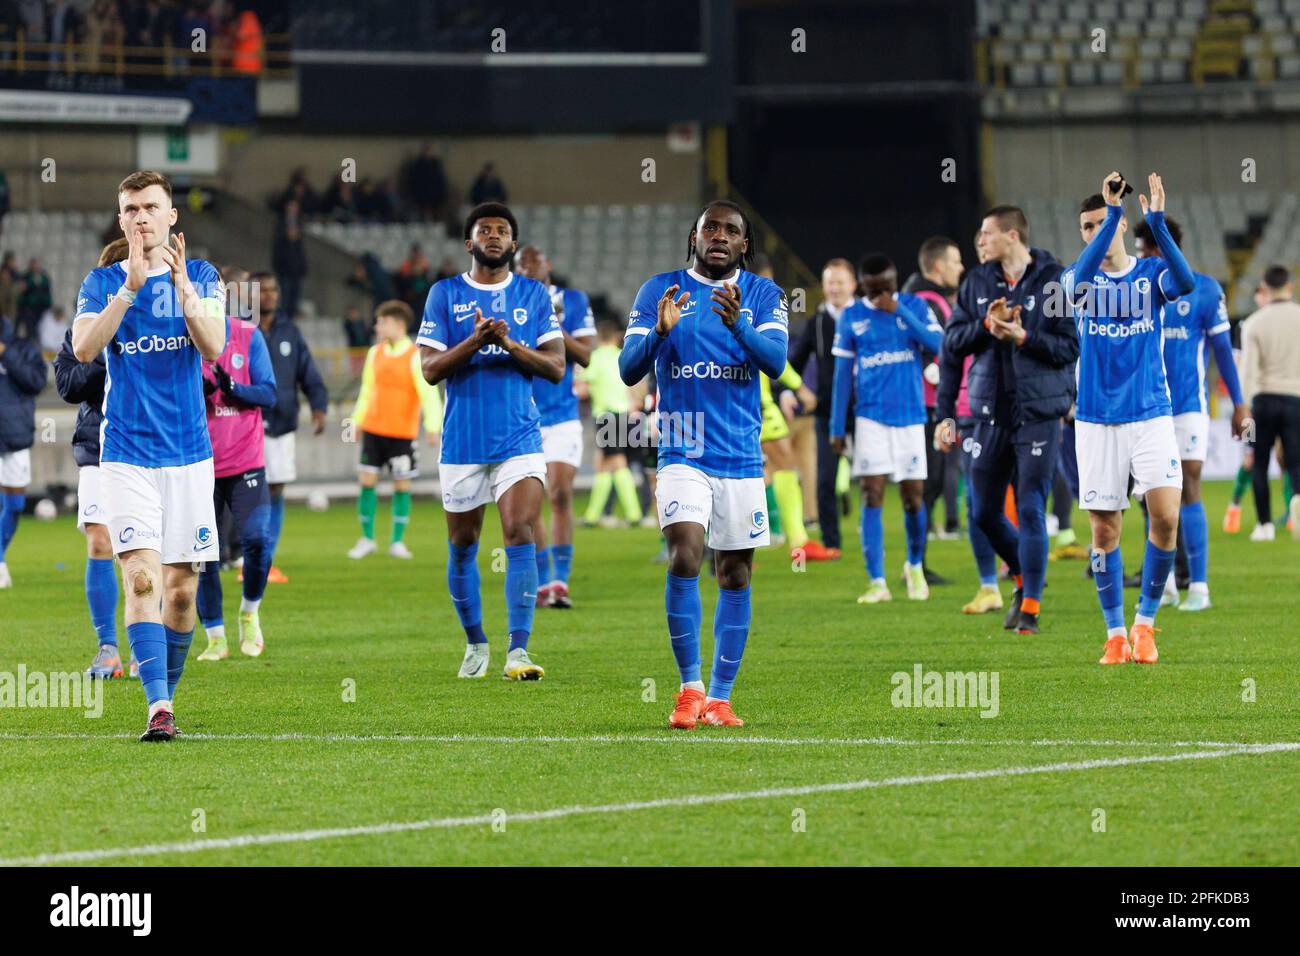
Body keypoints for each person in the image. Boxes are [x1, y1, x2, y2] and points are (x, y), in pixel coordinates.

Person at [620, 199, 789, 729]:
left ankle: (720, 697)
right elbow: (628, 370)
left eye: (730, 230)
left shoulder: (764, 294)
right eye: (709, 228)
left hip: (739, 452)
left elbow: (777, 363)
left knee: (734, 571)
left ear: (745, 244)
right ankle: (689, 689)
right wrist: (660, 333)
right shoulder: (660, 290)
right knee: (686, 555)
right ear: (693, 237)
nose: (718, 235)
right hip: (682, 447)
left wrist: (739, 326)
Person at [71, 169, 227, 740]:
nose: (141, 217)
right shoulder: (101, 281)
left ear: (171, 216)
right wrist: (131, 288)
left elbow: (214, 347)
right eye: (131, 209)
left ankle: (165, 692)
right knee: (141, 580)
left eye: (150, 207)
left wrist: (182, 290)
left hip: (189, 457)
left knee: (181, 594)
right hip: (126, 454)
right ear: (122, 219)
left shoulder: (204, 275)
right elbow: (84, 349)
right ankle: (157, 708)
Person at [417, 202, 564, 681]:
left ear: (514, 244)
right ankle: (475, 641)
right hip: (462, 441)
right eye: (485, 230)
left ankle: (518, 651)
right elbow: (431, 369)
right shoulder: (444, 294)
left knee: (519, 529)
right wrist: (477, 341)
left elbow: (556, 367)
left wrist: (510, 345)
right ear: (469, 242)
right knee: (463, 543)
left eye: (503, 230)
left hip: (519, 437)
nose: (495, 235)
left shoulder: (534, 295)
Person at [1065, 171, 1198, 666]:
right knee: (1105, 531)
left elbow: (1185, 282)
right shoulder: (1075, 277)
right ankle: (1115, 633)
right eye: (1086, 226)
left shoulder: (1149, 275)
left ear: (1121, 227)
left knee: (1165, 516)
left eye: (1101, 223)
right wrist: (1114, 213)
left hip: (1151, 413)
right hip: (1097, 419)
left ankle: (1145, 624)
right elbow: (1077, 282)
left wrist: (1156, 222)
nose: (1093, 232)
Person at [935, 205, 1076, 634]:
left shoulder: (1054, 280)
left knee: (1031, 505)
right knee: (982, 511)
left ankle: (1030, 606)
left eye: (986, 233)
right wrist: (986, 325)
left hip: (1038, 414)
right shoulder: (976, 282)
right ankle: (1021, 575)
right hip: (988, 414)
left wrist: (1024, 337)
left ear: (1012, 236)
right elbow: (953, 345)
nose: (979, 241)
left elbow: (1068, 347)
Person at [1133, 217, 1248, 608]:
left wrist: (1239, 403)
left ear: (1163, 247)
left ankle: (1199, 586)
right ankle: (1163, 585)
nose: (1140, 257)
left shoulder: (1204, 289)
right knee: (1151, 496)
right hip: (1145, 407)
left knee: (1190, 487)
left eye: (1145, 249)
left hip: (1187, 405)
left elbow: (1222, 353)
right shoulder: (1133, 288)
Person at [829, 254, 943, 604]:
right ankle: (877, 580)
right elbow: (841, 378)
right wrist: (837, 426)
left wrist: (900, 311)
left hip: (910, 417)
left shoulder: (916, 307)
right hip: (870, 419)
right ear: (865, 288)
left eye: (889, 289)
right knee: (872, 493)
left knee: (913, 498)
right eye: (878, 291)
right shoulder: (852, 318)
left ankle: (914, 566)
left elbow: (940, 347)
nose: (884, 296)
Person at [55, 238, 127, 675]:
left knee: (144, 551)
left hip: (147, 445)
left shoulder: (159, 330)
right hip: (97, 447)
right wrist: (104, 358)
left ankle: (145, 645)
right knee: (99, 541)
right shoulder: (82, 331)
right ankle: (108, 648)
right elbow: (66, 384)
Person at [515, 245, 596, 609]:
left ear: (549, 264)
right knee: (529, 508)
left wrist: (552, 324)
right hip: (522, 415)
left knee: (560, 494)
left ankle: (560, 580)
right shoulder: (509, 301)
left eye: (535, 260)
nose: (529, 267)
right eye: (522, 263)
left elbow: (585, 355)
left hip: (562, 415)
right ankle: (544, 580)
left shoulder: (573, 300)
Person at [347, 300, 442, 560]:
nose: (377, 326)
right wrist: (356, 421)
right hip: (374, 430)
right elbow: (367, 390)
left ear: (398, 324)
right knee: (366, 481)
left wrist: (433, 426)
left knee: (402, 485)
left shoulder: (415, 356)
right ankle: (367, 538)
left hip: (402, 433)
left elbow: (429, 393)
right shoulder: (374, 353)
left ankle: (397, 541)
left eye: (382, 322)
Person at [256, 272, 329, 583]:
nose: (270, 295)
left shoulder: (290, 332)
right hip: (248, 422)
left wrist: (318, 406)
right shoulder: (239, 329)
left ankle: (265, 557)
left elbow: (308, 372)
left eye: (274, 289)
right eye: (263, 290)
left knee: (275, 488)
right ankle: (240, 553)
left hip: (282, 423)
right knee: (246, 490)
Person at [903, 237, 965, 554]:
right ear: (939, 266)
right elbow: (933, 346)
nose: (961, 267)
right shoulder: (926, 300)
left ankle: (919, 561)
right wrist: (931, 367)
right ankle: (916, 563)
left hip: (940, 403)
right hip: (929, 404)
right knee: (929, 480)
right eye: (955, 262)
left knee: (936, 479)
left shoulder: (932, 299)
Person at [790, 258, 856, 556]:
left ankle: (872, 537)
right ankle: (832, 543)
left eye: (840, 282)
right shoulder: (816, 323)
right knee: (825, 479)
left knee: (875, 478)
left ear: (853, 284)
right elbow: (794, 363)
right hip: (828, 412)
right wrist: (789, 390)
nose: (835, 288)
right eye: (830, 282)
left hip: (867, 409)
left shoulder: (868, 317)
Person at [1240, 264, 1300, 541]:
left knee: (1260, 463)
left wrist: (1244, 409)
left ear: (1264, 288)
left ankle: (1264, 525)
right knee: (1297, 463)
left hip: (1262, 401)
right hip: (1295, 399)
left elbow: (1248, 372)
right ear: (1289, 286)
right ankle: (1297, 509)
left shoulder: (1254, 323)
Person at [761, 360, 831, 559]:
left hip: (748, 403)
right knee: (784, 464)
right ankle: (797, 541)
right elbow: (772, 352)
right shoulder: (750, 328)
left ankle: (725, 551)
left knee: (761, 471)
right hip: (756, 405)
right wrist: (799, 388)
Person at [579, 320, 645, 528]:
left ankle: (634, 514)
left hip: (607, 415)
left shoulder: (595, 358)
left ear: (598, 337)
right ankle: (592, 515)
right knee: (603, 464)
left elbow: (582, 387)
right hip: (624, 414)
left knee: (616, 462)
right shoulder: (621, 356)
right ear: (615, 337)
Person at [0, 307, 48, 589]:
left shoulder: (22, 348)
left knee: (15, 505)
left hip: (15, 435)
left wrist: (6, 353)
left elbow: (36, 381)